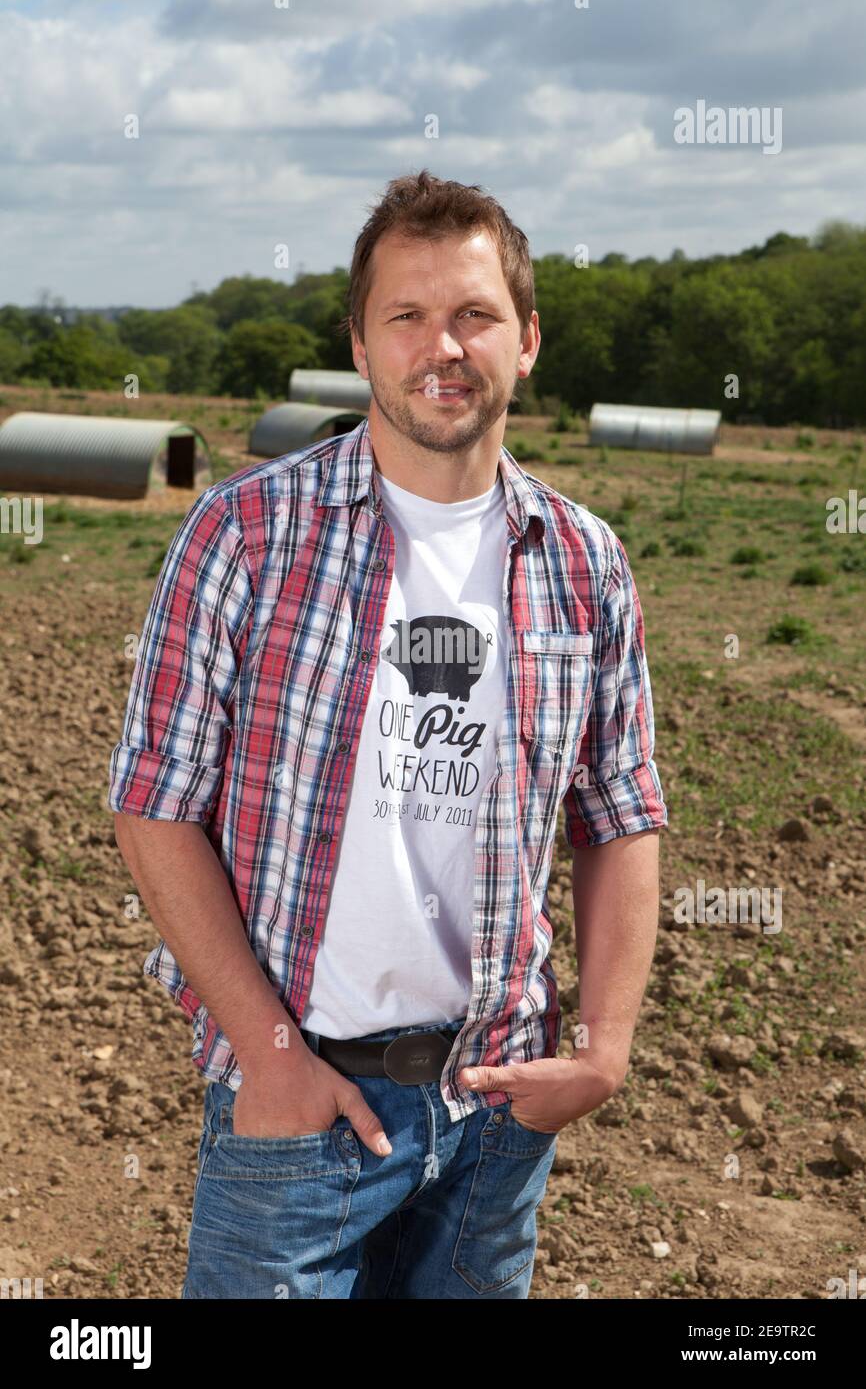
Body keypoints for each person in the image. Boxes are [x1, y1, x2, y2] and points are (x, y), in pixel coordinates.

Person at [108, 169, 668, 1300]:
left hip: (493, 1118)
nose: (441, 346)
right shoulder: (244, 531)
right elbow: (154, 803)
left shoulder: (582, 560)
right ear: (360, 346)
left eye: (473, 315)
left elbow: (619, 813)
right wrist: (268, 1057)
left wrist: (602, 1049)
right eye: (405, 316)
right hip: (299, 1105)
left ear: (526, 342)